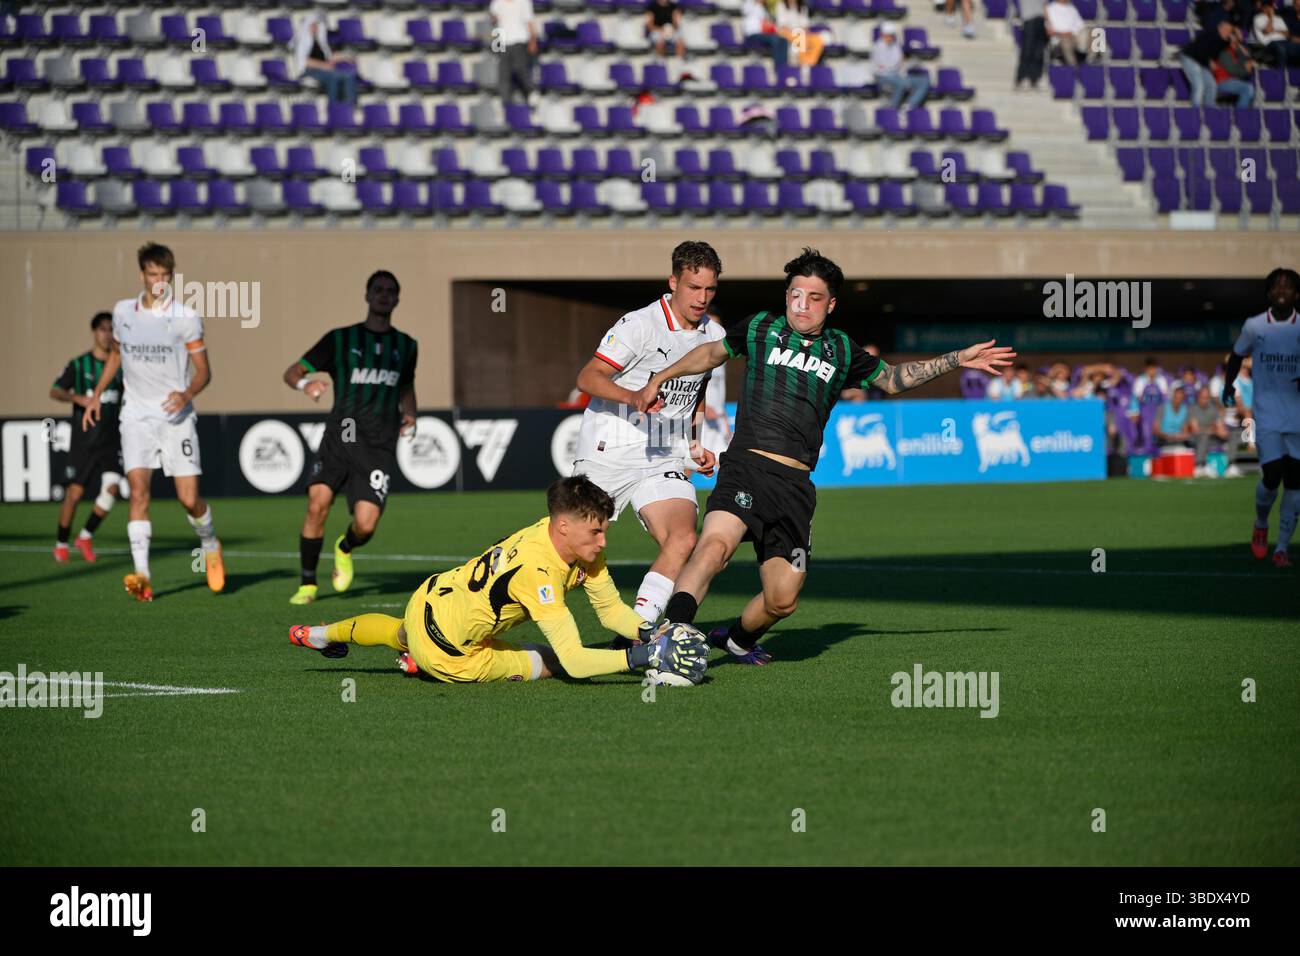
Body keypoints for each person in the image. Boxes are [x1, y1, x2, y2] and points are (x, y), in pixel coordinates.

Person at [633, 248, 1015, 665]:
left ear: (830, 304)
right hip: (747, 467)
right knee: (714, 547)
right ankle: (675, 636)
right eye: (795, 294)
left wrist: (957, 359)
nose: (802, 305)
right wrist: (663, 376)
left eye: (814, 298)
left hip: (795, 488)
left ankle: (737, 640)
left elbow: (891, 379)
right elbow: (710, 354)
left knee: (782, 600)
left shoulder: (843, 350)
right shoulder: (759, 328)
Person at [289, 476, 709, 686]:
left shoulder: (569, 541)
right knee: (551, 661)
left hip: (429, 601)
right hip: (453, 655)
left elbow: (610, 611)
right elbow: (577, 663)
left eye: (603, 531)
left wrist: (650, 630)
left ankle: (322, 633)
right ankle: (424, 666)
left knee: (402, 632)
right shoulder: (537, 572)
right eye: (595, 532)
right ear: (563, 526)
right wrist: (642, 658)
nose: (602, 541)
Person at [572, 241, 724, 629]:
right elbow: (588, 377)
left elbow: (697, 393)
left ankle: (635, 633)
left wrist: (693, 445)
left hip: (662, 454)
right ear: (673, 282)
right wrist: (633, 396)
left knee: (684, 538)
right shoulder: (639, 324)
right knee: (569, 559)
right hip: (611, 448)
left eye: (709, 289)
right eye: (693, 287)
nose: (701, 298)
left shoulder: (714, 334)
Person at [82, 243, 224, 602]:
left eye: (165, 275)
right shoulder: (123, 313)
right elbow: (116, 354)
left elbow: (204, 371)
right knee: (139, 493)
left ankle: (209, 543)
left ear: (171, 276)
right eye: (152, 274)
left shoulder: (185, 317)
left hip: (175, 417)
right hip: (136, 416)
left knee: (188, 499)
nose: (158, 280)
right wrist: (97, 393)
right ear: (142, 275)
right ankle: (142, 576)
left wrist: (187, 393)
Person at [284, 271, 417, 605]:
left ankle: (345, 547)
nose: (384, 295)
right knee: (317, 506)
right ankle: (308, 584)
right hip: (338, 440)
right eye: (378, 290)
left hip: (378, 447)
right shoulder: (340, 339)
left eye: (390, 291)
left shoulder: (407, 346)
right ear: (367, 295)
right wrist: (306, 385)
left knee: (366, 526)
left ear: (397, 299)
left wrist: (412, 414)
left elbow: (406, 387)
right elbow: (292, 372)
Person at [1221, 267, 1300, 568]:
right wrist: (1228, 385)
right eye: (1277, 285)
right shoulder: (1254, 326)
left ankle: (1281, 548)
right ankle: (1261, 522)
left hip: (1297, 415)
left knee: (1295, 482)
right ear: (1268, 293)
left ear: (1296, 294)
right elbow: (1238, 354)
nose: (1282, 289)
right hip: (1266, 413)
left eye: (1288, 285)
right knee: (1273, 474)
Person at [49, 312, 124, 563]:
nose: (107, 334)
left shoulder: (120, 366)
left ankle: (85, 535)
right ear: (94, 332)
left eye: (111, 329)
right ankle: (61, 543)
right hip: (84, 441)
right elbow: (55, 390)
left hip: (111, 440)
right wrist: (76, 398)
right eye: (103, 329)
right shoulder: (80, 364)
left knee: (112, 488)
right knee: (75, 494)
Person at [292, 11, 358, 105]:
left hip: (323, 69)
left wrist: (345, 58)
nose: (315, 27)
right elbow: (305, 61)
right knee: (334, 77)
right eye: (313, 25)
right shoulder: (303, 42)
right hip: (309, 71)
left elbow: (329, 57)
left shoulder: (319, 41)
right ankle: (333, 106)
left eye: (316, 25)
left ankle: (350, 105)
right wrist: (323, 65)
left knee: (348, 76)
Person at [695, 312, 733, 466]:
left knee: (722, 462)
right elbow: (693, 383)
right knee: (695, 462)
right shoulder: (699, 354)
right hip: (702, 416)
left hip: (717, 417)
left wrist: (723, 416)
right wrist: (706, 406)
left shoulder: (722, 357)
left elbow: (720, 388)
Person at [490, 0, 539, 105]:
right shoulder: (497, 2)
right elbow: (494, 24)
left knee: (520, 68)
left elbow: (530, 22)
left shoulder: (524, 2)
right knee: (503, 73)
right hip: (502, 41)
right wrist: (496, 45)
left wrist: (533, 41)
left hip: (519, 40)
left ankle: (531, 92)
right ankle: (505, 102)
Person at [874, 22, 931, 110]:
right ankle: (892, 108)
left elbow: (899, 63)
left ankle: (910, 105)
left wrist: (911, 63)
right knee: (901, 83)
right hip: (884, 77)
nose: (890, 37)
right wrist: (901, 66)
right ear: (882, 35)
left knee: (924, 81)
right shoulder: (877, 47)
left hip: (898, 75)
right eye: (888, 35)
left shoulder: (896, 46)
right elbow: (885, 68)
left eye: (891, 35)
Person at [1180, 19, 1235, 107]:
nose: (1228, 33)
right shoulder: (1211, 33)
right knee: (1199, 86)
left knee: (1211, 86)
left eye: (1230, 31)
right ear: (1220, 27)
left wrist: (1228, 41)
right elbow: (1199, 51)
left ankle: (1209, 112)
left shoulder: (1221, 40)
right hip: (1191, 58)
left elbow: (1216, 51)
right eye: (1227, 30)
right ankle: (1195, 114)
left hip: (1201, 62)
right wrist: (1209, 62)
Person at [1187, 385, 1229, 476]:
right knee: (1204, 436)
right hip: (1194, 438)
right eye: (1203, 398)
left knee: (1232, 435)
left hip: (1212, 436)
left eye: (1207, 398)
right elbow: (1195, 429)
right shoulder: (1193, 409)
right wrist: (1212, 429)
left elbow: (1220, 428)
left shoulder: (1213, 409)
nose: (1205, 400)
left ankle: (1229, 466)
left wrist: (1219, 431)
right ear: (1198, 397)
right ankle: (1199, 465)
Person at [1211, 26, 1257, 108]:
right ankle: (1240, 116)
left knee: (1250, 91)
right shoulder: (1223, 52)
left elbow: (1247, 57)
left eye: (1236, 40)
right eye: (1233, 39)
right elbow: (1234, 70)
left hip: (1232, 80)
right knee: (1248, 89)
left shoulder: (1234, 50)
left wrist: (1241, 42)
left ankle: (1243, 113)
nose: (1235, 41)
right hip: (1221, 81)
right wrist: (1246, 69)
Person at [776, 0, 825, 67]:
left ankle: (811, 62)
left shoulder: (803, 7)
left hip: (801, 33)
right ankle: (804, 63)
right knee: (801, 40)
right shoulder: (781, 5)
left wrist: (804, 33)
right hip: (787, 32)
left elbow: (805, 25)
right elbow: (782, 25)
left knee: (817, 40)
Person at [1015, 0, 1049, 91]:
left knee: (1039, 52)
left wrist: (1048, 21)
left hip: (1041, 19)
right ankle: (1021, 79)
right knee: (1027, 51)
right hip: (1028, 19)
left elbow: (1044, 4)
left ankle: (1035, 79)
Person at [742, 0, 787, 68]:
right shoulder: (749, 4)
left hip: (764, 34)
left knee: (784, 40)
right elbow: (745, 10)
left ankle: (783, 66)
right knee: (776, 40)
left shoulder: (764, 8)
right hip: (753, 34)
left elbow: (767, 23)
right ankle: (778, 68)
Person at [1255, 0, 1300, 66]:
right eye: (1268, 7)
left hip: (1285, 42)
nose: (1270, 8)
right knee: (1280, 48)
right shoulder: (1258, 18)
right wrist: (1271, 17)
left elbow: (1287, 34)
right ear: (1263, 7)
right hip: (1270, 43)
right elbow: (1267, 30)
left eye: (1271, 7)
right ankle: (1281, 74)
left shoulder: (1279, 19)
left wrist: (1275, 30)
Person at [1046, 0, 1091, 65]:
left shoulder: (1071, 9)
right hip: (1058, 39)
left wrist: (1072, 33)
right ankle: (1073, 67)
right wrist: (1063, 34)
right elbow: (1048, 30)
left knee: (1094, 32)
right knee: (1065, 40)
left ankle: (1087, 59)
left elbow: (1080, 26)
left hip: (1073, 36)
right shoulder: (1049, 9)